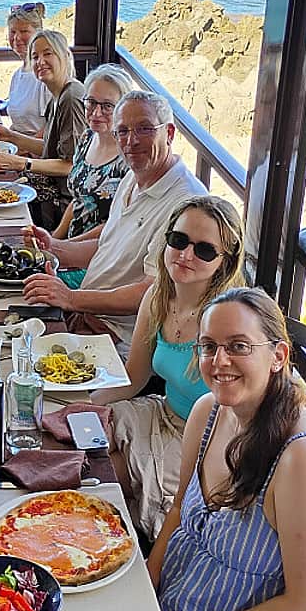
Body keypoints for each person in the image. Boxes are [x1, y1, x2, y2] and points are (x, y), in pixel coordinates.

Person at [148, 288, 306, 611]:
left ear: (278, 356)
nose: (219, 361)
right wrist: (147, 581)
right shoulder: (208, 412)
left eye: (238, 346)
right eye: (208, 346)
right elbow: (178, 511)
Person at [91, 195, 245, 538]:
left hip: (206, 442)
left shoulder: (227, 320)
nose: (186, 255)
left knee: (105, 483)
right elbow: (134, 377)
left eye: (205, 250)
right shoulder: (158, 296)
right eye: (179, 241)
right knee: (87, 453)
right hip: (162, 414)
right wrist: (88, 402)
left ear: (225, 262)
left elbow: (247, 416)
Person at [20, 90, 207, 347]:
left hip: (116, 336)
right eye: (123, 131)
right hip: (87, 313)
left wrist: (72, 298)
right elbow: (107, 245)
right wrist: (54, 248)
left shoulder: (185, 205)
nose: (131, 141)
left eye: (144, 129)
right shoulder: (134, 175)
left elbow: (150, 292)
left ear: (170, 133)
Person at [0, 29, 87, 229]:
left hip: (63, 201)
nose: (40, 62)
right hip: (51, 187)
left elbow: (71, 165)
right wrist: (12, 137)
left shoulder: (72, 98)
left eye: (48, 54)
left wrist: (23, 163)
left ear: (65, 56)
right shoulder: (57, 97)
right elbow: (51, 149)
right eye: (35, 56)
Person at [54, 63, 135, 243]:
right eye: (91, 102)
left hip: (99, 253)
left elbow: (114, 225)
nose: (96, 113)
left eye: (107, 106)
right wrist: (53, 238)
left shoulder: (130, 159)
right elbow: (78, 200)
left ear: (123, 108)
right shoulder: (87, 137)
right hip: (70, 244)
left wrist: (61, 247)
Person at [1, 2, 52, 136]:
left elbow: (54, 124)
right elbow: (19, 125)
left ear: (38, 34)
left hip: (37, 151)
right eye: (13, 32)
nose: (17, 38)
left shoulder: (46, 74)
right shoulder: (18, 75)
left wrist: (23, 148)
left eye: (24, 31)